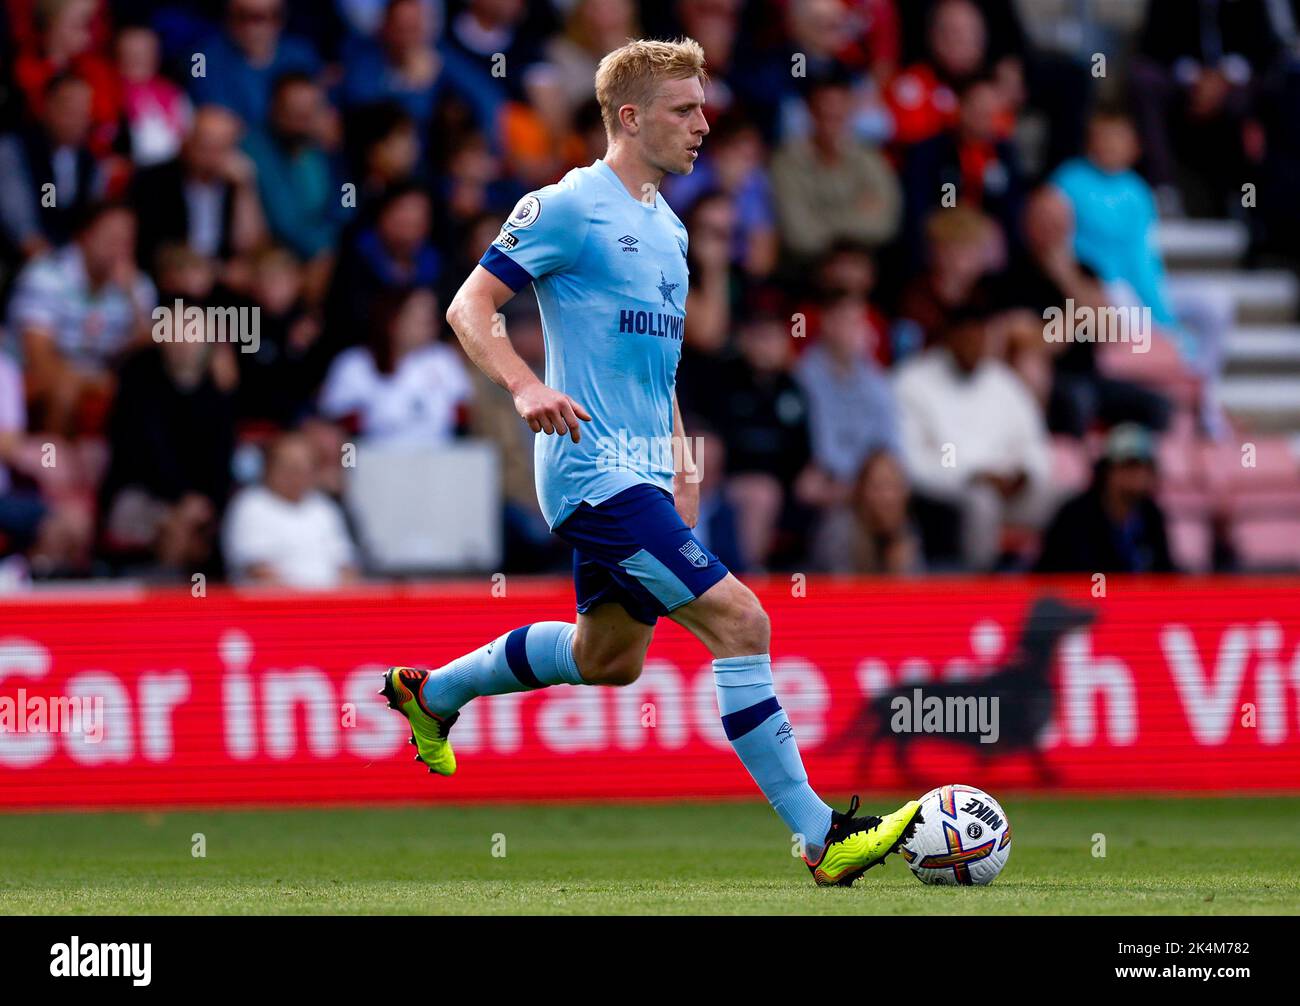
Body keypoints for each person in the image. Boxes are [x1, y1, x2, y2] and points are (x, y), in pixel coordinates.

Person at [383, 37, 921, 887]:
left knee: (608, 658)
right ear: (629, 118)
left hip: (646, 471)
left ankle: (432, 694)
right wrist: (525, 387)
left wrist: (684, 462)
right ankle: (824, 839)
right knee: (743, 623)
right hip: (589, 469)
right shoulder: (566, 206)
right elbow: (468, 305)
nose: (703, 123)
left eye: (703, 106)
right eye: (684, 109)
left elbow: (655, 366)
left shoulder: (668, 230)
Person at [1036, 424, 1176, 574]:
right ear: (1108, 470)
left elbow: (1164, 575)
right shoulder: (1075, 516)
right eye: (1129, 466)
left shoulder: (1152, 516)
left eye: (1146, 468)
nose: (1139, 476)